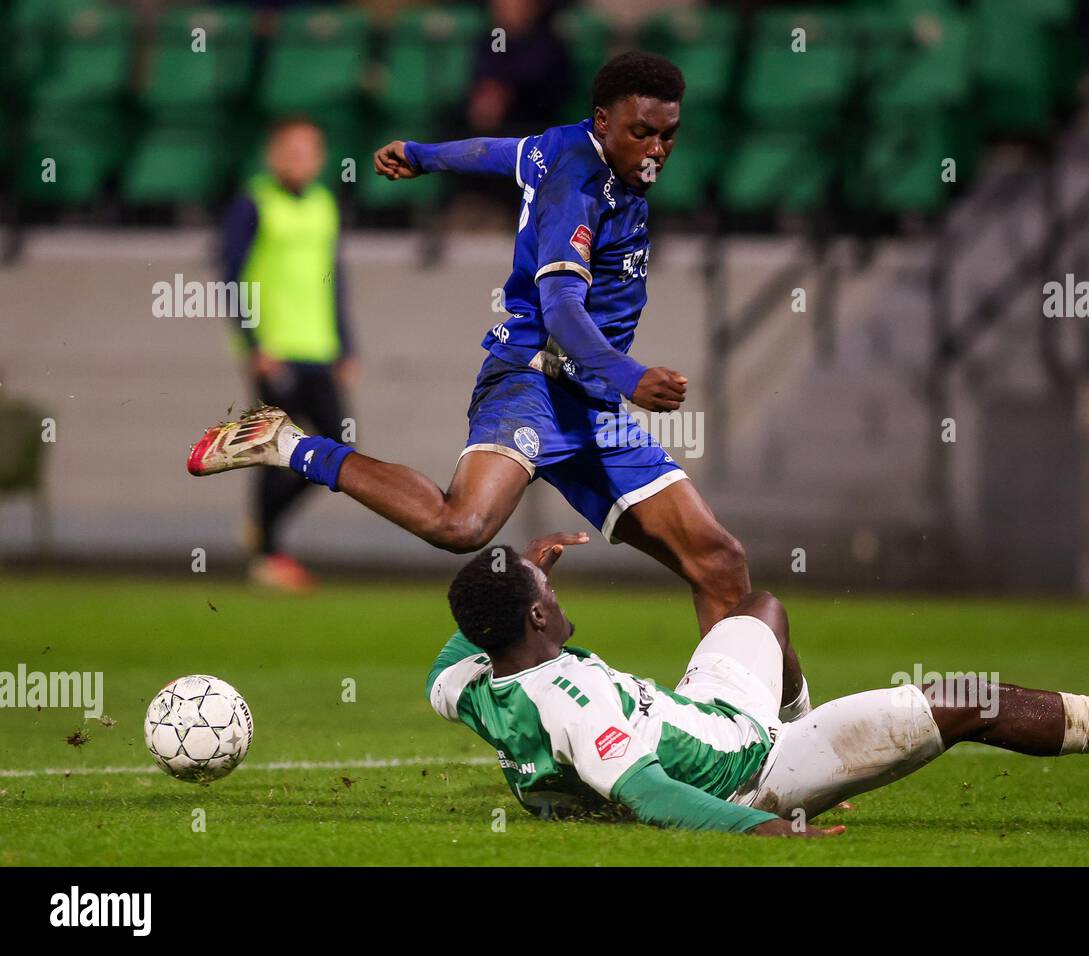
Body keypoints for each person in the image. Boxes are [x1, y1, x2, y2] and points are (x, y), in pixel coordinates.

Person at [187, 54, 810, 716]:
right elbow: (563, 311)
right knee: (464, 524)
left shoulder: (558, 146)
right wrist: (631, 376)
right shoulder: (577, 184)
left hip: (590, 403)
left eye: (668, 135)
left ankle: (775, 737)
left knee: (718, 561)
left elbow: (499, 153)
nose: (656, 151)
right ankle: (288, 444)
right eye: (641, 133)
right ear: (604, 123)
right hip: (532, 381)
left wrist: (424, 154)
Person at [423, 535, 1089, 836]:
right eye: (550, 598)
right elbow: (644, 792)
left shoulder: (477, 679)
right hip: (748, 776)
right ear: (533, 622)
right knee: (970, 700)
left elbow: (445, 659)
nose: (560, 601)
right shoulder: (576, 702)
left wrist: (516, 572)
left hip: (714, 715)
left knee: (760, 609)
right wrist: (767, 834)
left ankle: (817, 747)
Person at [218, 115, 357, 592]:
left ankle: (262, 530)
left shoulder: (323, 203)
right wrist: (254, 345)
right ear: (273, 155)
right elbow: (231, 276)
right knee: (275, 449)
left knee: (339, 444)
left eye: (309, 151)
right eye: (291, 150)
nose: (300, 159)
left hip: (318, 347)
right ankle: (268, 552)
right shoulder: (253, 203)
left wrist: (345, 344)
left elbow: (334, 278)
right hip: (274, 350)